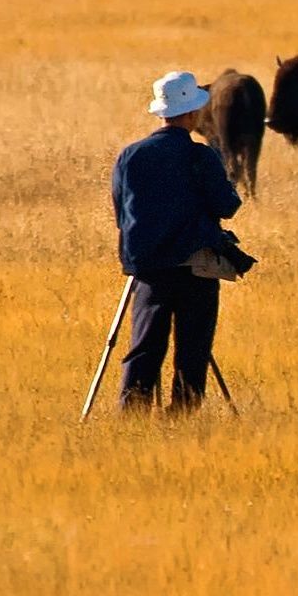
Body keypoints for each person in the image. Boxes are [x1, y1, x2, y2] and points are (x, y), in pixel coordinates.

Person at [111, 71, 245, 411]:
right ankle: (182, 418)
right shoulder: (201, 156)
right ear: (192, 113)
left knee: (144, 346)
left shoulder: (130, 155)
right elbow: (227, 207)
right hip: (194, 268)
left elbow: (121, 211)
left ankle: (133, 415)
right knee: (193, 348)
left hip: (149, 268)